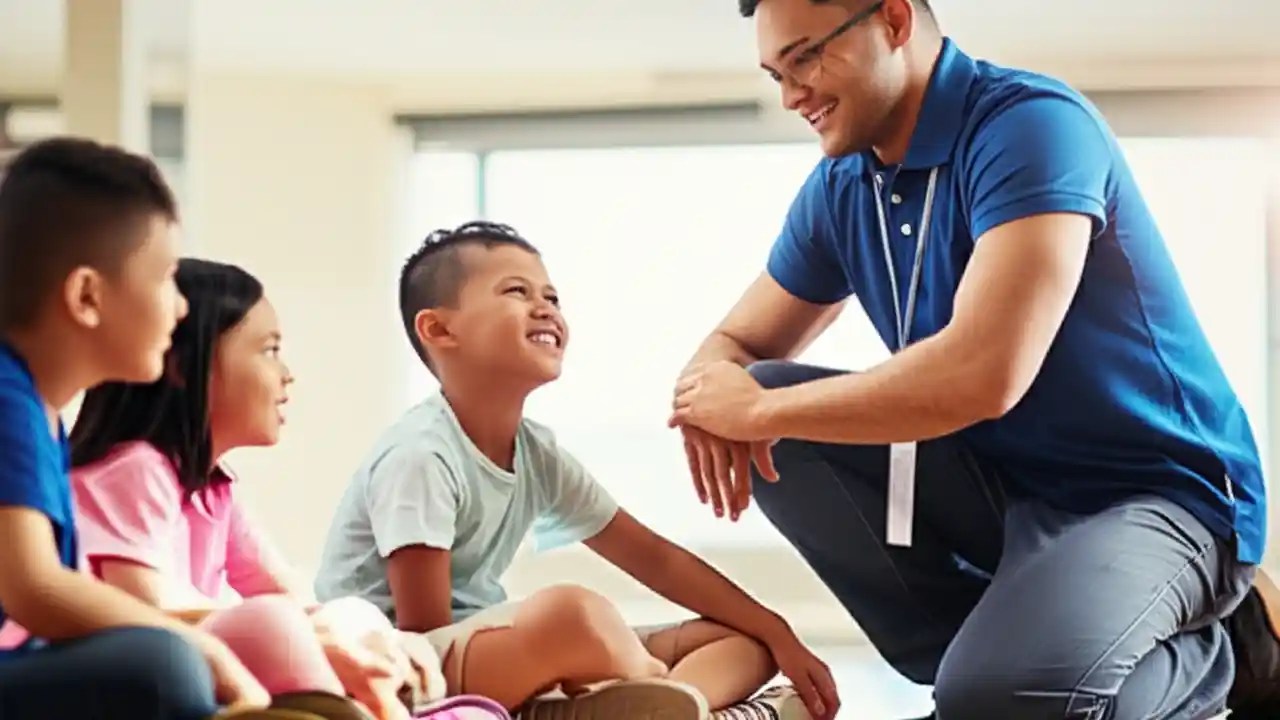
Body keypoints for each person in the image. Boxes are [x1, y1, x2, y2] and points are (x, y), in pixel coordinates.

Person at [667, 1, 1272, 719]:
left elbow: (986, 373)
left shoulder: (1030, 125)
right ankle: (997, 665)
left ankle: (1218, 654)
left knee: (994, 697)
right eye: (776, 73)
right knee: (772, 411)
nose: (791, 94)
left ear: (893, 20)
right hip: (1005, 488)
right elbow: (732, 351)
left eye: (805, 58)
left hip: (1159, 495)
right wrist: (716, 402)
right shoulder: (841, 189)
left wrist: (754, 406)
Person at [313, 221, 840, 720]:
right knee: (573, 614)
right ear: (439, 328)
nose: (544, 308)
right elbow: (421, 632)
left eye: (552, 297)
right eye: (517, 292)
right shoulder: (420, 454)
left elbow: (654, 558)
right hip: (402, 669)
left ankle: (654, 704)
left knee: (740, 641)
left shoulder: (537, 453)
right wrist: (565, 661)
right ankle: (644, 697)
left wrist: (776, 630)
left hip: (491, 651)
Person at [69, 257, 444, 720]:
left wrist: (378, 636)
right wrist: (310, 637)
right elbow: (147, 604)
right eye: (269, 350)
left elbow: (291, 593)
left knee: (348, 613)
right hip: (131, 667)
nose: (287, 374)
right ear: (187, 366)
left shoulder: (215, 486)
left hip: (197, 658)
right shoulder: (133, 469)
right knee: (270, 624)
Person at [0, 137, 266, 718]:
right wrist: (197, 644)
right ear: (87, 296)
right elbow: (35, 589)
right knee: (159, 667)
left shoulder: (40, 414)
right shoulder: (6, 400)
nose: (179, 308)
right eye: (167, 278)